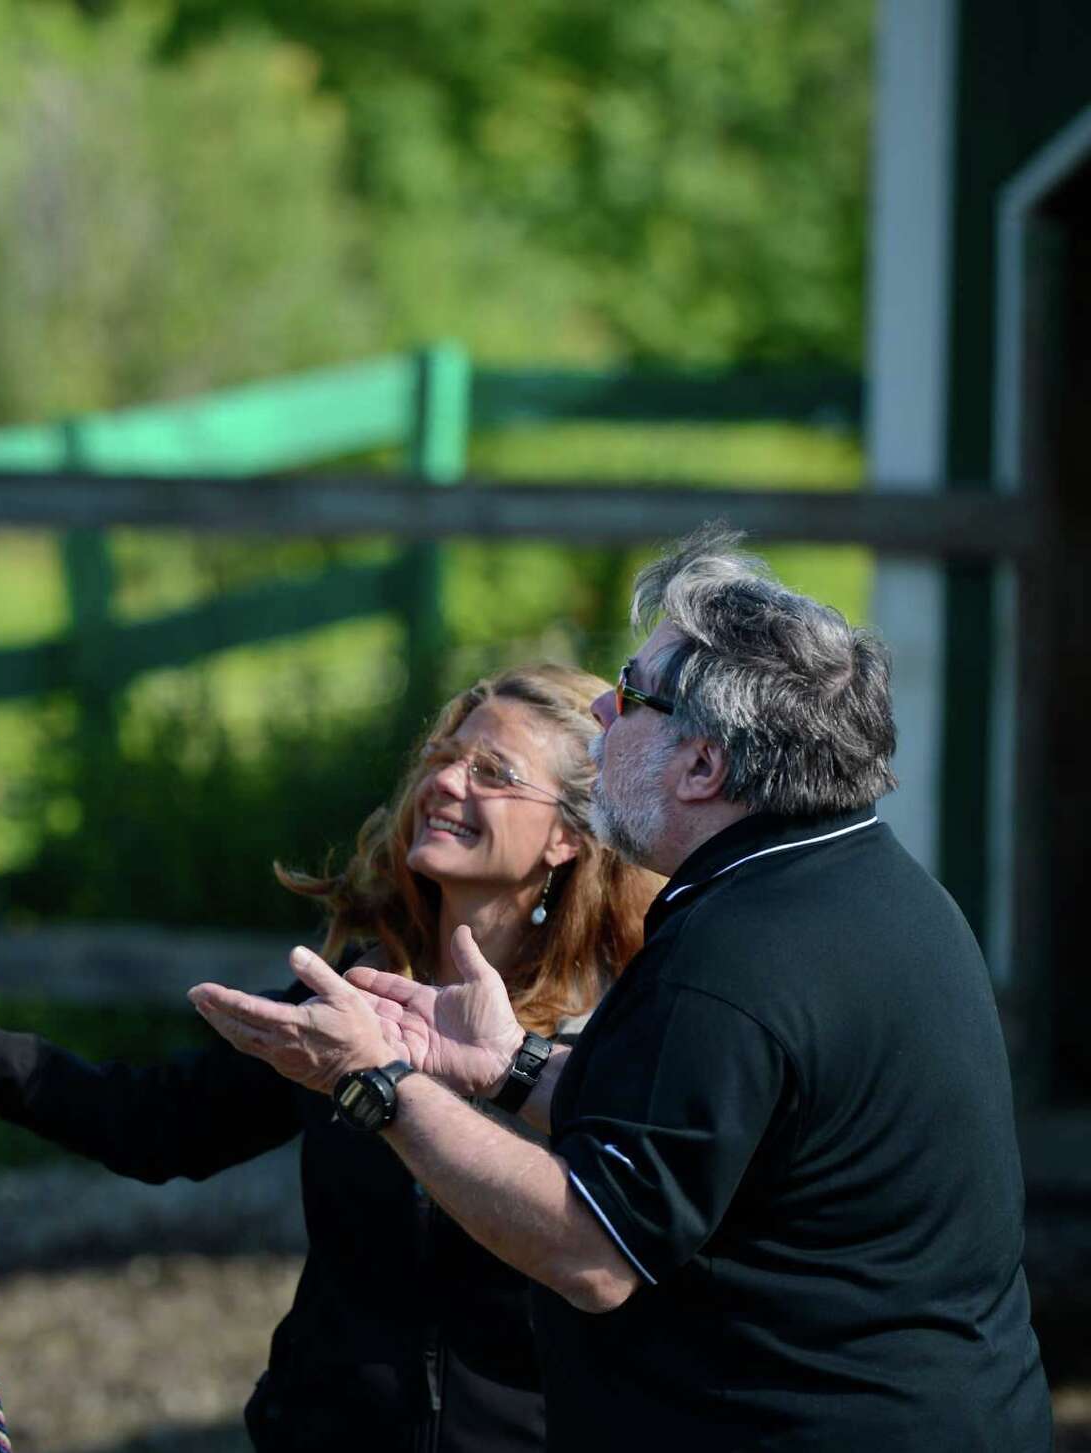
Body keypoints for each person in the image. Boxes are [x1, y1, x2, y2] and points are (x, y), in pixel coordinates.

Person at [191, 527, 1052, 1451]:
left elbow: (594, 1252)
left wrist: (376, 1085)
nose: (602, 708)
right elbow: (710, 1132)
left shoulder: (738, 955)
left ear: (702, 767)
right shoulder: (864, 884)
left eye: (634, 694)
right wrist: (511, 1067)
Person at [0, 665, 662, 1452]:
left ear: (568, 832)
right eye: (442, 756)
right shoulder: (356, 994)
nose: (445, 780)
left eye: (491, 771)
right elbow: (159, 1122)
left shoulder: (629, 1031)